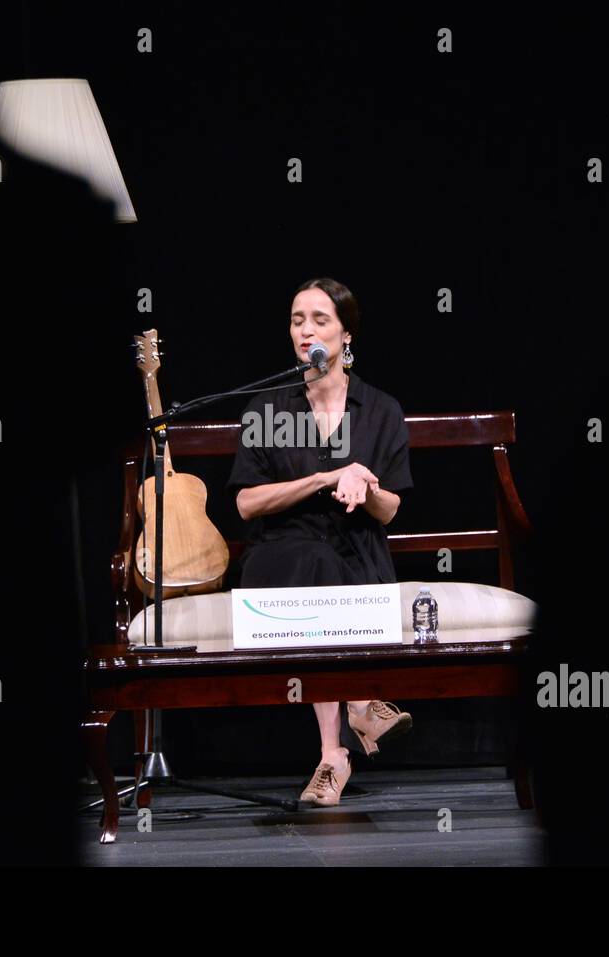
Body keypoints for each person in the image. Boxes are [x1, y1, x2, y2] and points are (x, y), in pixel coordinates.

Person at [226, 277, 415, 807]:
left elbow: (391, 509)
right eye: (296, 319)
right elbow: (245, 504)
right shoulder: (269, 408)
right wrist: (326, 477)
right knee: (309, 560)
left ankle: (333, 757)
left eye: (319, 319)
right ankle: (360, 701)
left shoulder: (380, 409)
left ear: (345, 335)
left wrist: (367, 483)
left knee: (326, 566)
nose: (305, 329)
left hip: (355, 550)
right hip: (278, 555)